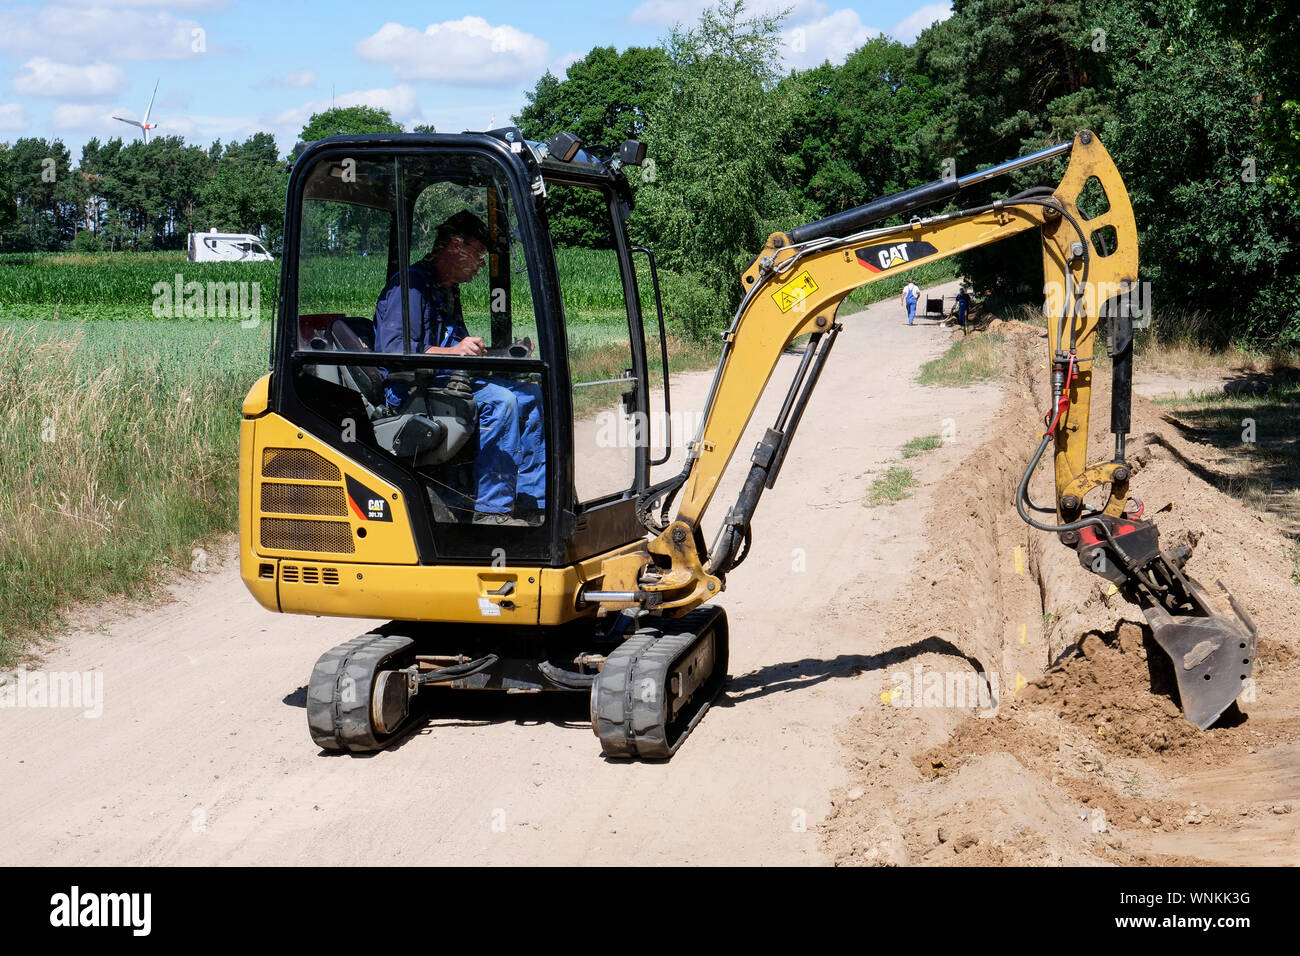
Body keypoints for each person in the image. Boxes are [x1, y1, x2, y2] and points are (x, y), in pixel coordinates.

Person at [372, 210, 544, 526]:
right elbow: (394, 351)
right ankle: (493, 512)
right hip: (412, 392)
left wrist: (504, 353)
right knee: (501, 401)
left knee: (531, 395)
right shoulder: (409, 289)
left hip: (447, 382)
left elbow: (462, 349)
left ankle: (531, 500)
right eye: (478, 254)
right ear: (455, 245)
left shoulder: (446, 290)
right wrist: (453, 351)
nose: (481, 263)